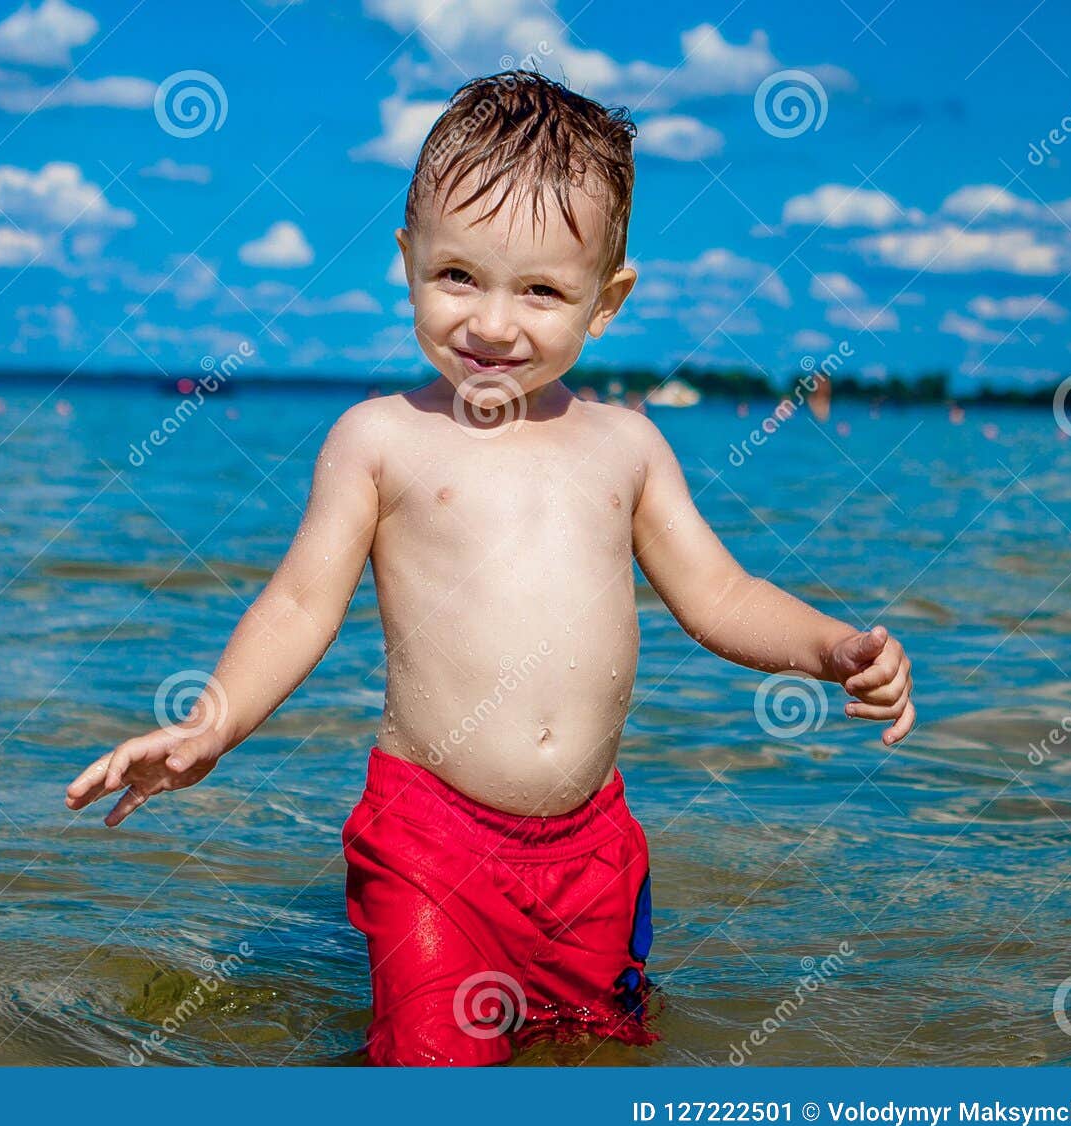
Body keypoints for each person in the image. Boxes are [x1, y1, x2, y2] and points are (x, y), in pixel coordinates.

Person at [65, 71, 915, 1066]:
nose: (493, 324)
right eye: (458, 275)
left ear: (606, 301)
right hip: (431, 841)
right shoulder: (379, 440)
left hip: (594, 852)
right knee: (432, 1065)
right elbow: (300, 603)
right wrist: (217, 720)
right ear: (406, 261)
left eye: (543, 290)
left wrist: (827, 646)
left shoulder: (627, 447)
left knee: (599, 1050)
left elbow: (719, 594)